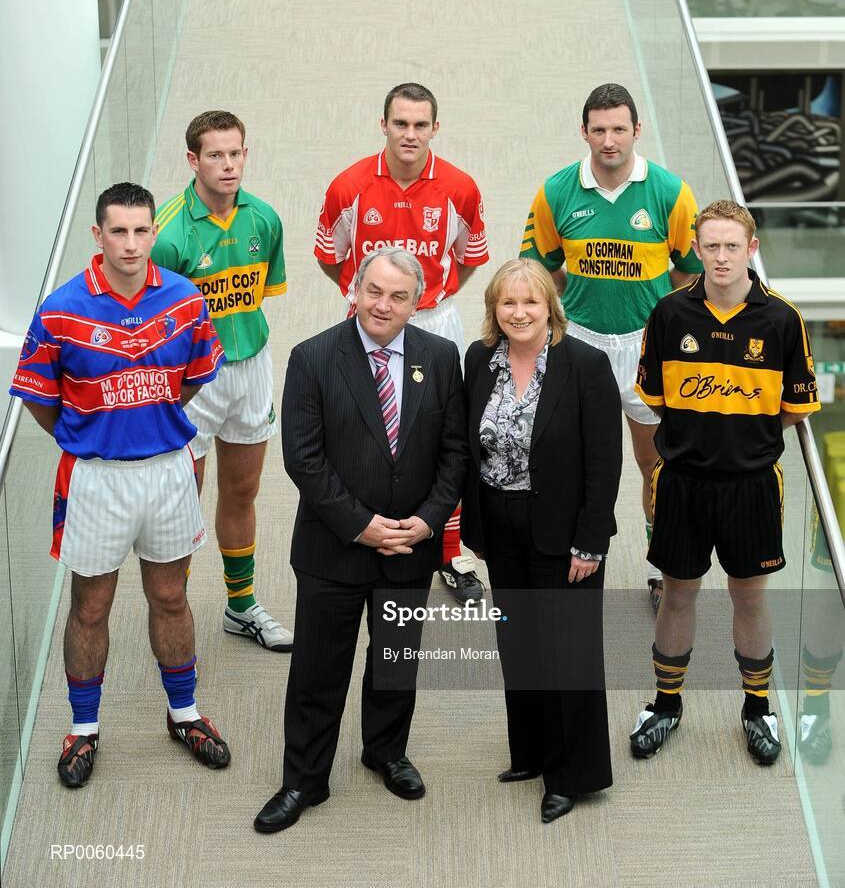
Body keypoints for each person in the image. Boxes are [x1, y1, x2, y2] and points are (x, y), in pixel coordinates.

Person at [9, 182, 230, 787]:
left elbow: (192, 379)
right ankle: (83, 729)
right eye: (119, 231)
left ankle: (184, 713)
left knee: (170, 596)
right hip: (96, 480)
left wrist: (149, 423)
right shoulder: (61, 308)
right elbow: (37, 396)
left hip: (166, 472)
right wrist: (85, 435)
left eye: (141, 231)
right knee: (92, 605)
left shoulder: (185, 299)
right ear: (98, 235)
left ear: (153, 233)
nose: (131, 244)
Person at [254, 248, 467, 833]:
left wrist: (427, 520)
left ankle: (386, 751)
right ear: (354, 287)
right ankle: (303, 779)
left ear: (417, 301)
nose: (383, 305)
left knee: (395, 662)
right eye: (374, 290)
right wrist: (361, 525)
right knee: (320, 669)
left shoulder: (441, 357)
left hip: (410, 545)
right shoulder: (313, 357)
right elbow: (303, 458)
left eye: (399, 296)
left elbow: (455, 452)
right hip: (334, 549)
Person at [629, 199, 821, 765]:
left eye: (730, 246)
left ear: (751, 249)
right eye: (709, 246)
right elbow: (657, 401)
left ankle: (757, 706)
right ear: (697, 249)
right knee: (678, 593)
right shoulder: (669, 315)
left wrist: (743, 437)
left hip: (752, 485)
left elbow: (793, 408)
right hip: (683, 482)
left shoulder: (782, 320)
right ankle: (666, 704)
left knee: (749, 597)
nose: (719, 257)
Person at [519, 83, 703, 611]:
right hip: (581, 345)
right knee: (567, 460)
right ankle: (565, 555)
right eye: (598, 129)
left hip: (647, 350)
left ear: (636, 131)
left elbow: (688, 277)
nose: (608, 140)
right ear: (584, 132)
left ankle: (657, 565)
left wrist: (673, 335)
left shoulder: (670, 191)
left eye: (619, 128)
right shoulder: (556, 191)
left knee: (655, 464)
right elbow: (537, 272)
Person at [461, 259, 622, 823]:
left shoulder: (585, 365)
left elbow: (604, 462)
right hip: (502, 527)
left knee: (569, 655)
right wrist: (474, 528)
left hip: (566, 535)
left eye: (531, 302)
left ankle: (572, 774)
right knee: (521, 646)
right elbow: (469, 448)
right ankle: (529, 753)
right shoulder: (480, 360)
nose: (520, 312)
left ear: (550, 308)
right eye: (508, 303)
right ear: (494, 310)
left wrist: (590, 541)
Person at [314, 82, 488, 605]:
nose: (409, 134)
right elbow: (329, 255)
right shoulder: (349, 186)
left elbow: (471, 257)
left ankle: (450, 550)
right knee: (370, 432)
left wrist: (430, 299)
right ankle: (372, 528)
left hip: (435, 322)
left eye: (420, 125)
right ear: (383, 124)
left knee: (444, 436)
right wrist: (364, 296)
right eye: (400, 123)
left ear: (435, 128)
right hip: (370, 321)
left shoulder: (460, 188)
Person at [152, 111, 293, 651]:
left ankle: (242, 606)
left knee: (243, 490)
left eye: (237, 153)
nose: (229, 165)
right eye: (216, 155)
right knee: (184, 498)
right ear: (193, 160)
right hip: (191, 383)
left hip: (252, 366)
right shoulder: (167, 235)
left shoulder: (265, 220)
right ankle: (174, 609)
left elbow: (255, 300)